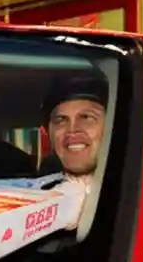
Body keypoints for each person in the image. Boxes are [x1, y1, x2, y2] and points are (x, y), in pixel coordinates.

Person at [39, 75, 110, 230]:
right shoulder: (33, 199)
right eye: (61, 120)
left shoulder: (137, 195)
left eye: (86, 117)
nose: (72, 130)